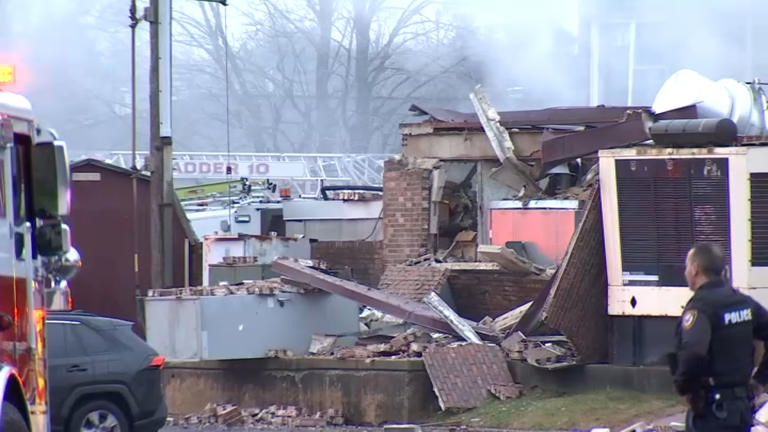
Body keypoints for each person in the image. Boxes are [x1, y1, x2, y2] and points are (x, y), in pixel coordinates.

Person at [670, 242, 768, 431]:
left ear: (695, 269)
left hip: (712, 411)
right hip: (741, 407)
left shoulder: (700, 308)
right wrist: (760, 380)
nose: (685, 272)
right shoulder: (743, 303)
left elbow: (693, 354)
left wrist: (685, 388)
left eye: (687, 267)